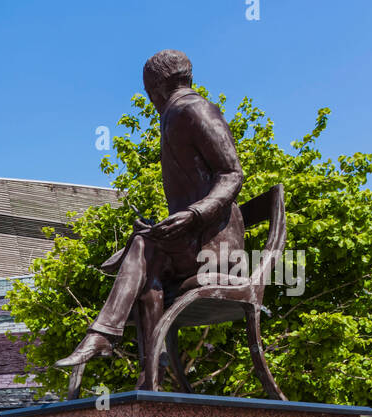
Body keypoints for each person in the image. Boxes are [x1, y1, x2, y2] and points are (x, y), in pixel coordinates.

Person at [56, 50, 246, 390]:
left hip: (217, 249)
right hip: (194, 244)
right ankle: (149, 379)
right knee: (146, 264)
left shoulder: (194, 109)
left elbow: (232, 173)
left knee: (144, 249)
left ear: (153, 88)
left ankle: (103, 335)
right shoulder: (174, 115)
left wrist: (192, 214)